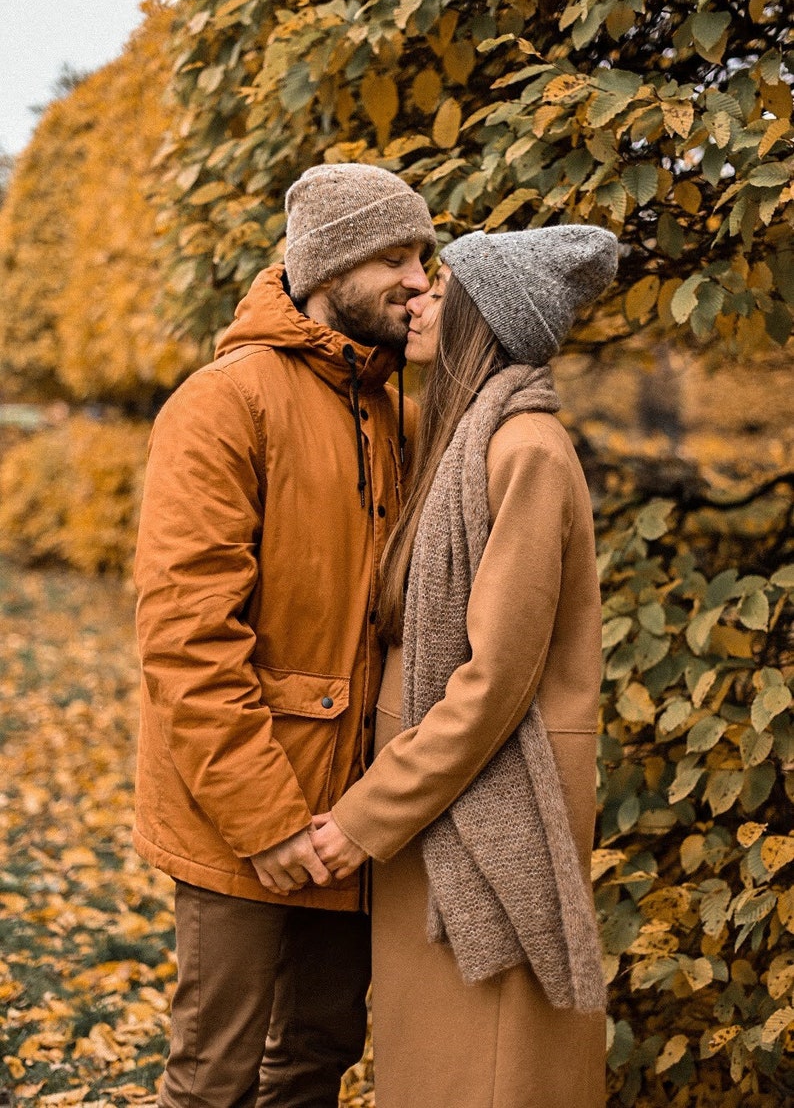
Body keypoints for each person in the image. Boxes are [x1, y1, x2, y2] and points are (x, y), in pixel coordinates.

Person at [133, 162, 436, 1108]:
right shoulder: (224, 402)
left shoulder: (391, 405)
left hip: (349, 814)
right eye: (392, 254)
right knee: (213, 1073)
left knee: (319, 1050)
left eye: (424, 253)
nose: (419, 277)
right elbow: (188, 638)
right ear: (326, 268)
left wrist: (362, 813)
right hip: (240, 809)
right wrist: (265, 821)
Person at [313, 224, 619, 1108]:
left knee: (486, 1073)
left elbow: (493, 683)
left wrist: (366, 814)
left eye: (440, 289)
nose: (418, 298)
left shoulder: (524, 449)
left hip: (487, 805)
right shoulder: (461, 443)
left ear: (483, 318)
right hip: (444, 805)